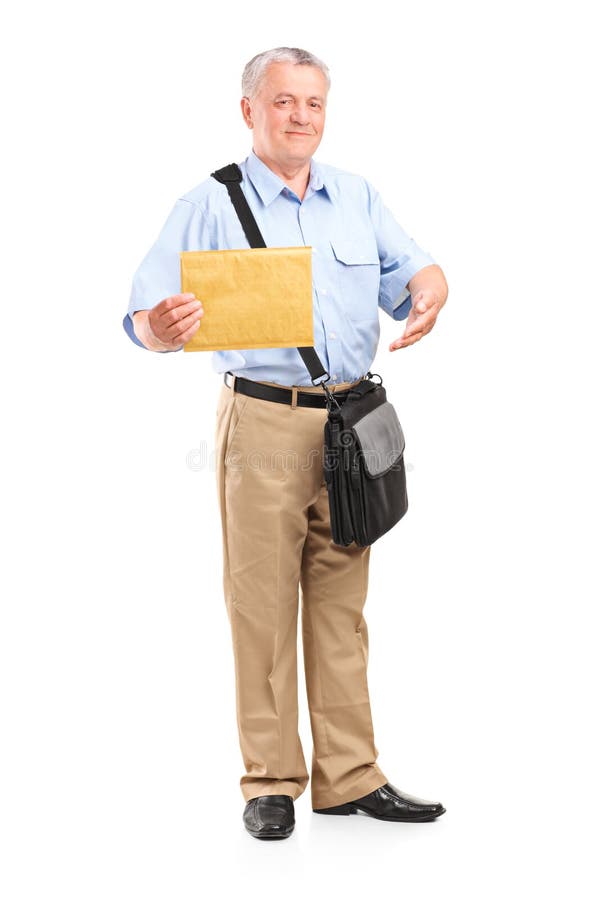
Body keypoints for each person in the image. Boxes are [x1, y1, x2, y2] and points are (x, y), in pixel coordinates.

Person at [124, 47, 449, 841]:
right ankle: (270, 781)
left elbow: (414, 271)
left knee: (343, 606)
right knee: (261, 605)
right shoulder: (209, 202)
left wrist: (430, 289)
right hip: (262, 422)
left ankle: (350, 777)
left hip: (350, 422)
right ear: (249, 110)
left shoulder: (357, 195)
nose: (301, 116)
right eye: (283, 101)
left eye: (313, 102)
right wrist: (158, 329)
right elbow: (141, 317)